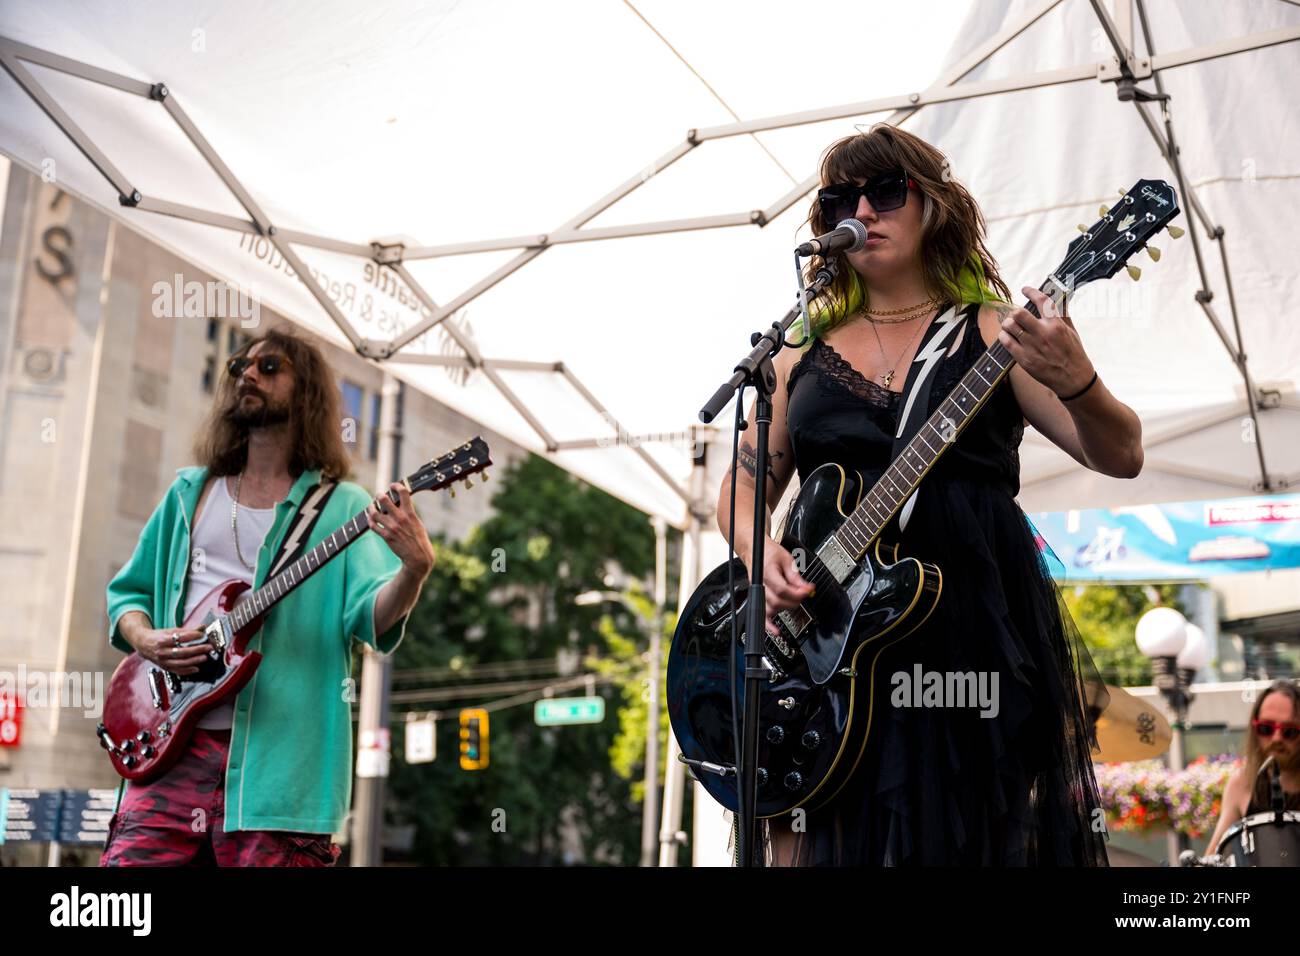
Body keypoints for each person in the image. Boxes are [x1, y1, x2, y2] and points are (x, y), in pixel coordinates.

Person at [718, 123, 1143, 866]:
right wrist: (759, 557)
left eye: (886, 192)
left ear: (933, 207)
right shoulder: (798, 351)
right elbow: (745, 485)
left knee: (959, 834)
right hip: (826, 652)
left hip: (962, 635)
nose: (864, 210)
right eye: (841, 198)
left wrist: (1078, 378)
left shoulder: (996, 332)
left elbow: (1120, 454)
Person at [101, 326, 435, 866]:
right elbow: (128, 596)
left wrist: (414, 571)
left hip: (282, 771)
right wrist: (148, 639)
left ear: (306, 393)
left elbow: (371, 616)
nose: (248, 374)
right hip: (168, 752)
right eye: (240, 367)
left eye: (270, 367)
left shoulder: (342, 506)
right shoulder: (189, 492)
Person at [1204, 680, 1300, 856]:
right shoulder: (1243, 782)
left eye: (1289, 731)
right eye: (1266, 728)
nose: (1277, 738)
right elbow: (1213, 857)